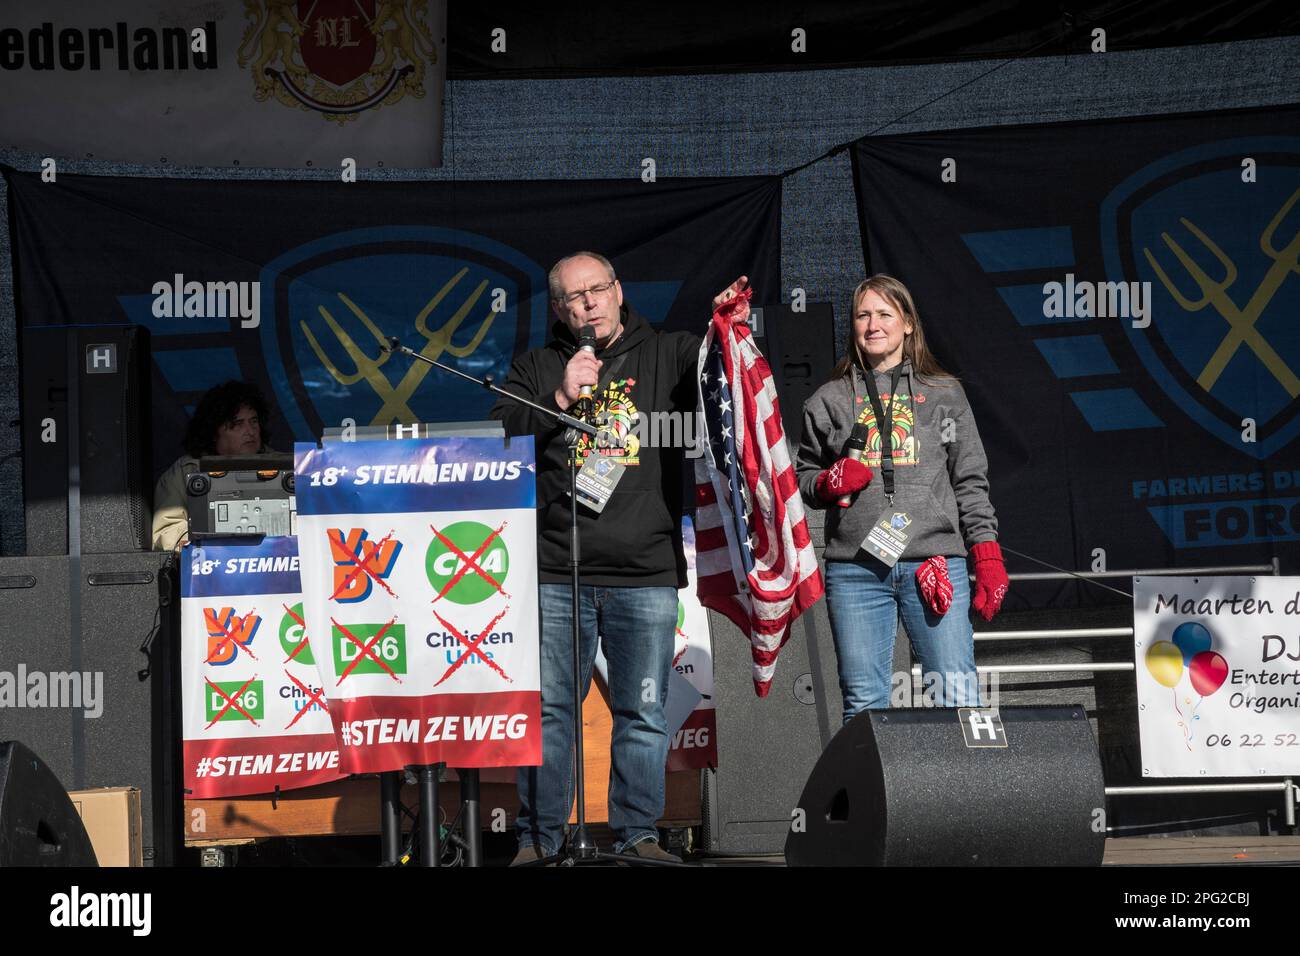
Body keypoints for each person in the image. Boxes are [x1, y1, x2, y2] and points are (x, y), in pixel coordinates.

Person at [491, 252, 740, 864]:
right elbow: (500, 435)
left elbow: (720, 373)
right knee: (551, 715)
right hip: (556, 570)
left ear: (618, 291)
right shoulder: (539, 365)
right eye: (576, 297)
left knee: (644, 711)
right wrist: (560, 394)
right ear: (560, 310)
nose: (590, 304)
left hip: (645, 570)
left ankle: (637, 835)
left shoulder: (666, 352)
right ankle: (539, 840)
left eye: (598, 289)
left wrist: (727, 328)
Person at [795, 274, 1009, 722]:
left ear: (908, 323)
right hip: (855, 570)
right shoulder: (828, 399)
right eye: (863, 315)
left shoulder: (945, 395)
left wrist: (986, 553)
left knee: (957, 695)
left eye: (885, 314)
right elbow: (802, 480)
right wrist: (828, 482)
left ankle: (960, 794)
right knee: (864, 705)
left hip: (933, 562)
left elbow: (970, 479)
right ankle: (876, 796)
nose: (873, 324)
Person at [151, 381, 273, 551]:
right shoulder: (185, 471)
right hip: (209, 567)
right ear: (214, 432)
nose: (250, 431)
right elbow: (166, 531)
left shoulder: (286, 466)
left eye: (253, 421)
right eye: (238, 424)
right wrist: (214, 544)